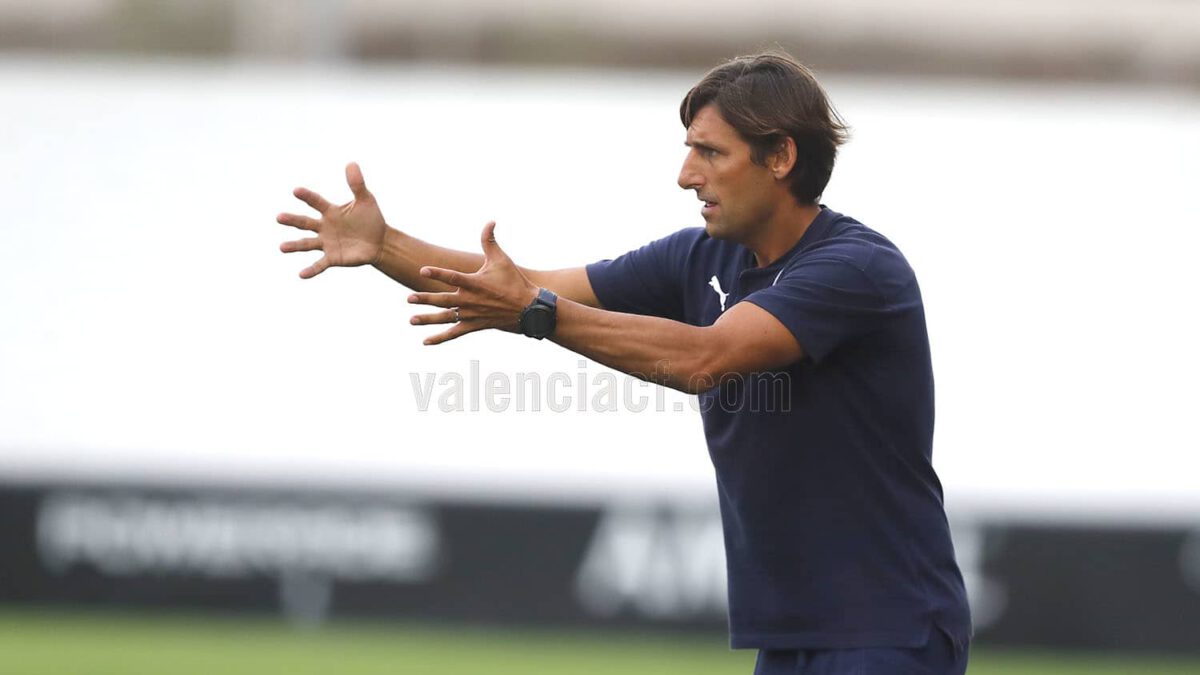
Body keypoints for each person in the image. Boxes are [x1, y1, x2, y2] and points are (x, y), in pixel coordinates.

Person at [277, 52, 971, 675]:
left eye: (710, 152)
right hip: (792, 632)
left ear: (781, 156)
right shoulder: (701, 255)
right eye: (689, 150)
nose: (685, 175)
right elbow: (521, 282)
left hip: (889, 626)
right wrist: (386, 245)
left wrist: (537, 314)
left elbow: (706, 356)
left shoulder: (856, 268)